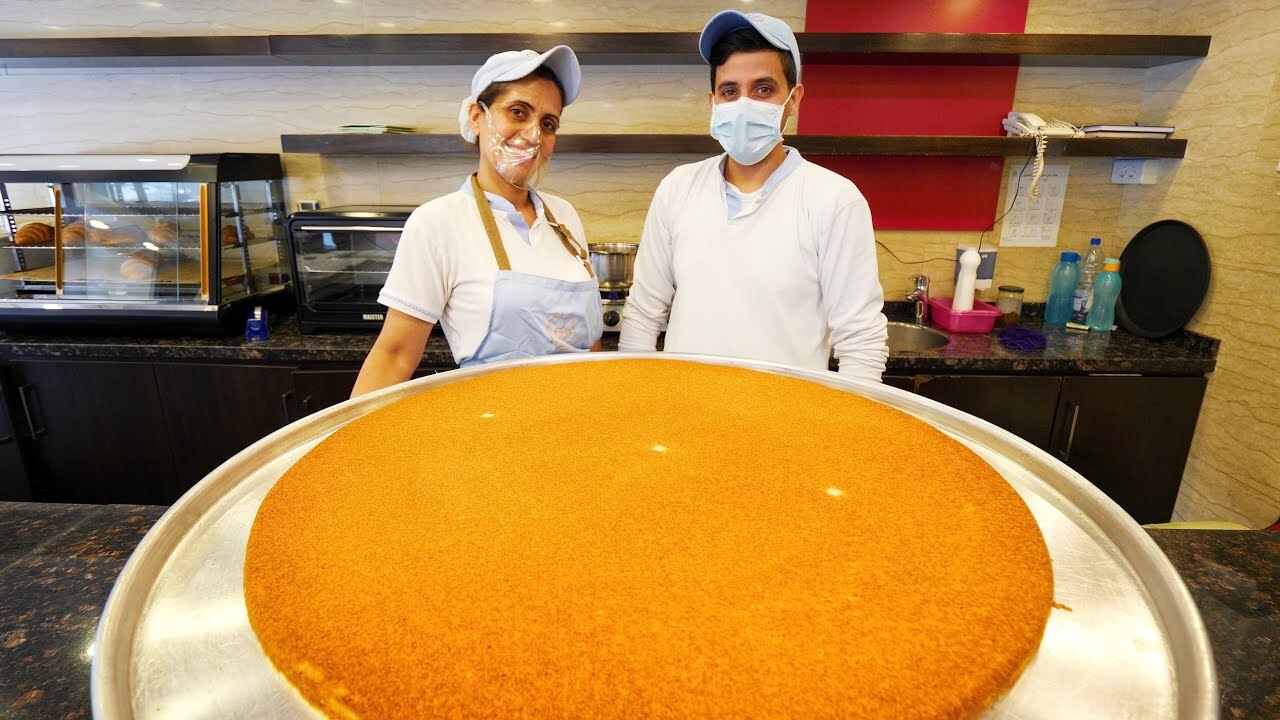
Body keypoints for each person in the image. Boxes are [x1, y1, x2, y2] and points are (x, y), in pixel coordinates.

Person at [618, 10, 888, 381]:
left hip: (786, 422)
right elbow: (644, 313)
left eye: (763, 89)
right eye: (730, 91)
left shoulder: (834, 200)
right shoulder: (678, 188)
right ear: (713, 102)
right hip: (686, 415)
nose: (744, 105)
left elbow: (861, 340)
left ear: (793, 100)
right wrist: (636, 398)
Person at [352, 46, 602, 398]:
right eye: (517, 112)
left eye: (548, 124)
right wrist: (353, 439)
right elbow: (394, 354)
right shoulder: (438, 222)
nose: (533, 135)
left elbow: (589, 345)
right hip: (493, 426)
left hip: (580, 413)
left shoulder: (564, 217)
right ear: (475, 116)